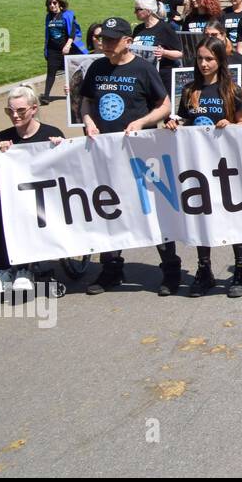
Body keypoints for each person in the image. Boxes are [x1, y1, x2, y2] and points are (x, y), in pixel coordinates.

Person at [80, 17, 174, 295]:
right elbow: (86, 100)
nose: (105, 44)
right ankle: (111, 268)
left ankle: (169, 269)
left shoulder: (143, 69)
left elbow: (165, 105)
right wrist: (88, 120)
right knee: (109, 209)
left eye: (111, 40)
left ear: (127, 41)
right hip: (105, 151)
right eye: (103, 39)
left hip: (140, 151)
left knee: (152, 208)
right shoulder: (96, 68)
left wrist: (142, 122)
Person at [165, 36, 242, 297]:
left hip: (226, 166)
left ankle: (241, 270)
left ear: (220, 61)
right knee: (202, 216)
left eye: (209, 59)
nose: (204, 64)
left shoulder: (231, 90)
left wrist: (231, 126)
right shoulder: (190, 90)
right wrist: (174, 125)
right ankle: (204, 270)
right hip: (197, 166)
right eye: (200, 58)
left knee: (234, 216)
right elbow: (184, 120)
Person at [0, 86, 66, 295]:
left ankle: (26, 268)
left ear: (34, 109)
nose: (15, 116)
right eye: (10, 111)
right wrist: (1, 157)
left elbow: (68, 172)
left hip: (45, 196)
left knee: (31, 210)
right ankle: (4, 268)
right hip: (13, 194)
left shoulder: (51, 133)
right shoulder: (2, 137)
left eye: (20, 111)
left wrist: (62, 148)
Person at [132, 0, 184, 97]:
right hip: (141, 76)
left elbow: (180, 53)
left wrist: (164, 52)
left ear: (148, 11)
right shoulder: (138, 29)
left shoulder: (165, 28)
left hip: (162, 78)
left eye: (138, 9)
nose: (135, 12)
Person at [42, 0, 87, 103]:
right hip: (53, 49)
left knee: (72, 72)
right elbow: (48, 33)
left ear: (59, 3)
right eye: (49, 4)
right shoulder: (48, 17)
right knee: (51, 72)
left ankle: (77, 94)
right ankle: (46, 96)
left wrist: (67, 45)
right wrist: (46, 49)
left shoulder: (67, 14)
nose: (52, 5)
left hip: (67, 49)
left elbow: (72, 32)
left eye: (54, 2)